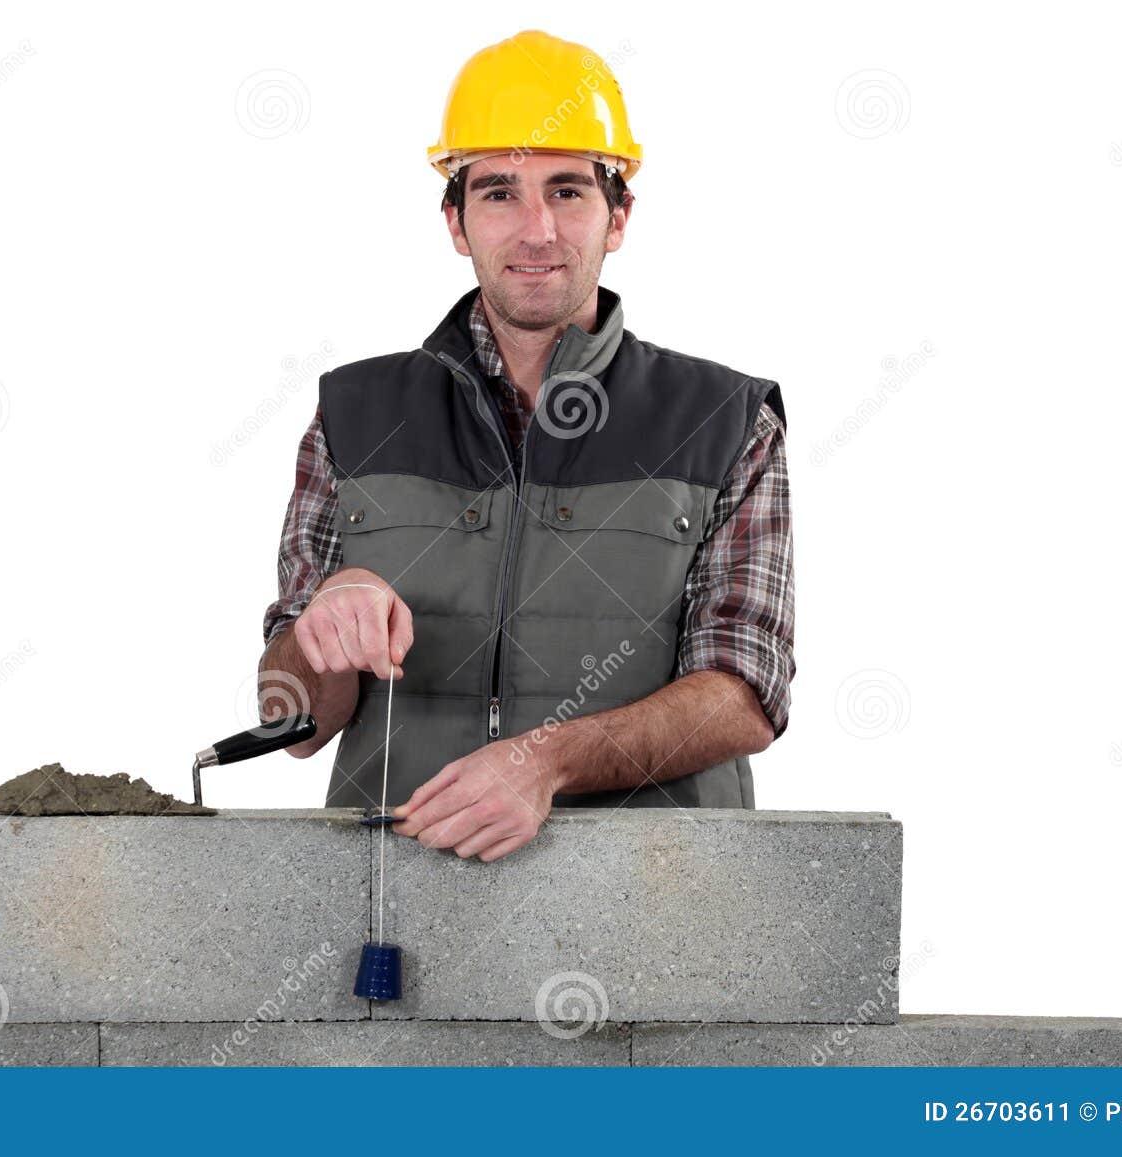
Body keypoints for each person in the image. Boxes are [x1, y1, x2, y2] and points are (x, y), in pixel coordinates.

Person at [258, 29, 794, 862]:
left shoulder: (723, 421)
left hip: (663, 907)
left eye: (570, 192)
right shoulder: (354, 414)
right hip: (393, 900)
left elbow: (746, 696)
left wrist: (546, 762)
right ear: (455, 220)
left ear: (618, 216)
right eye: (501, 191)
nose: (537, 229)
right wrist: (321, 628)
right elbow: (291, 722)